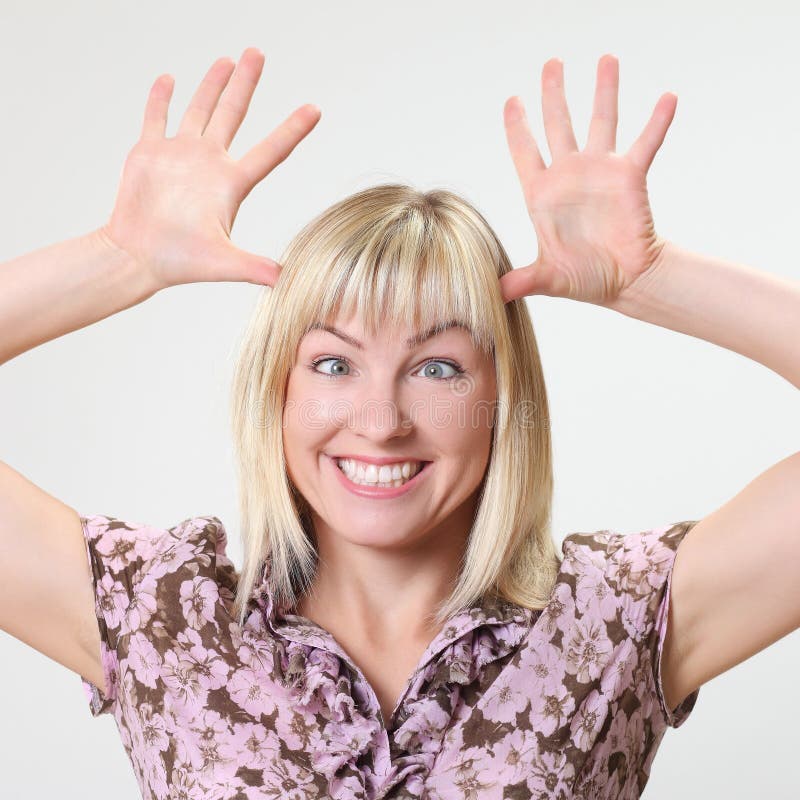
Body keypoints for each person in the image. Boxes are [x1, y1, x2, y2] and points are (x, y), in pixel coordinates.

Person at [1, 46, 798, 800]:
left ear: (503, 398)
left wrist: (654, 279)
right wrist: (118, 260)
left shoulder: (616, 620)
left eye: (437, 368)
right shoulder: (161, 615)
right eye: (334, 364)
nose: (381, 422)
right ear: (277, 391)